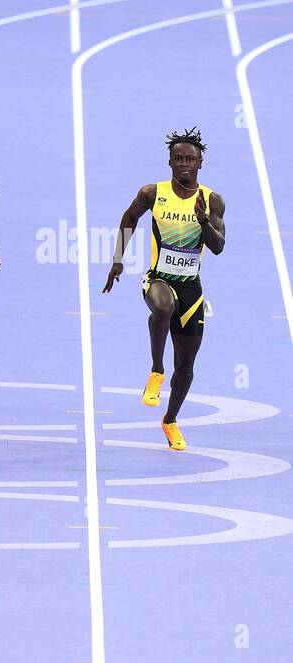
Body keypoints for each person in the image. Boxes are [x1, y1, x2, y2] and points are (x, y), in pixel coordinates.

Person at [104, 127, 225, 451]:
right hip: (159, 278)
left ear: (200, 163)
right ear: (169, 162)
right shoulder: (152, 193)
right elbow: (129, 218)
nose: (184, 164)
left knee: (185, 368)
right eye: (178, 159)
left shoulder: (212, 200)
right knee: (162, 306)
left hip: (192, 289)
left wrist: (203, 221)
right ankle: (156, 369)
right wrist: (117, 260)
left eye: (190, 159)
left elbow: (218, 247)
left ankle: (170, 420)